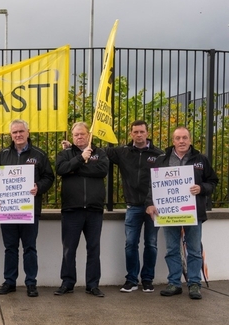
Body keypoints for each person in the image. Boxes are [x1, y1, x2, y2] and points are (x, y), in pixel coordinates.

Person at [145, 126, 218, 300]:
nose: (181, 141)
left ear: (190, 140)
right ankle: (174, 283)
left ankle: (194, 283)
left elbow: (212, 182)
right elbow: (152, 185)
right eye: (178, 138)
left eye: (185, 138)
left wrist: (201, 188)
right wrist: (149, 204)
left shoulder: (201, 160)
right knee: (171, 249)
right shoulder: (162, 160)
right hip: (168, 213)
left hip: (193, 213)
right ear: (173, 141)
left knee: (193, 250)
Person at [0, 120, 55, 297]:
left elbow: (49, 177)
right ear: (10, 135)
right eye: (14, 132)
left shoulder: (39, 155)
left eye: (21, 131)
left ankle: (31, 283)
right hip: (8, 210)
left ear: (28, 132)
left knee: (29, 248)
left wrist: (38, 187)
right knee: (10, 248)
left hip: (29, 210)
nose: (18, 135)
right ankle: (9, 282)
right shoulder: (2, 154)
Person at [103, 120, 164, 294]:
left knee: (151, 244)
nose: (139, 135)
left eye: (142, 132)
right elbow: (98, 152)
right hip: (132, 207)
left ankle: (147, 280)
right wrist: (74, 147)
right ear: (131, 134)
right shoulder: (122, 152)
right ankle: (131, 280)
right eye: (135, 132)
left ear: (147, 133)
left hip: (153, 207)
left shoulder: (159, 155)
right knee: (130, 244)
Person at [55, 122, 110, 297]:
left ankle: (93, 285)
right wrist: (79, 159)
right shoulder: (65, 153)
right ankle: (67, 283)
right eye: (76, 135)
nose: (79, 137)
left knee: (93, 248)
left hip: (94, 210)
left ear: (88, 135)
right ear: (72, 137)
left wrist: (76, 168)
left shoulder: (99, 153)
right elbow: (61, 169)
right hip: (72, 209)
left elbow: (102, 171)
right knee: (69, 248)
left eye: (82, 134)